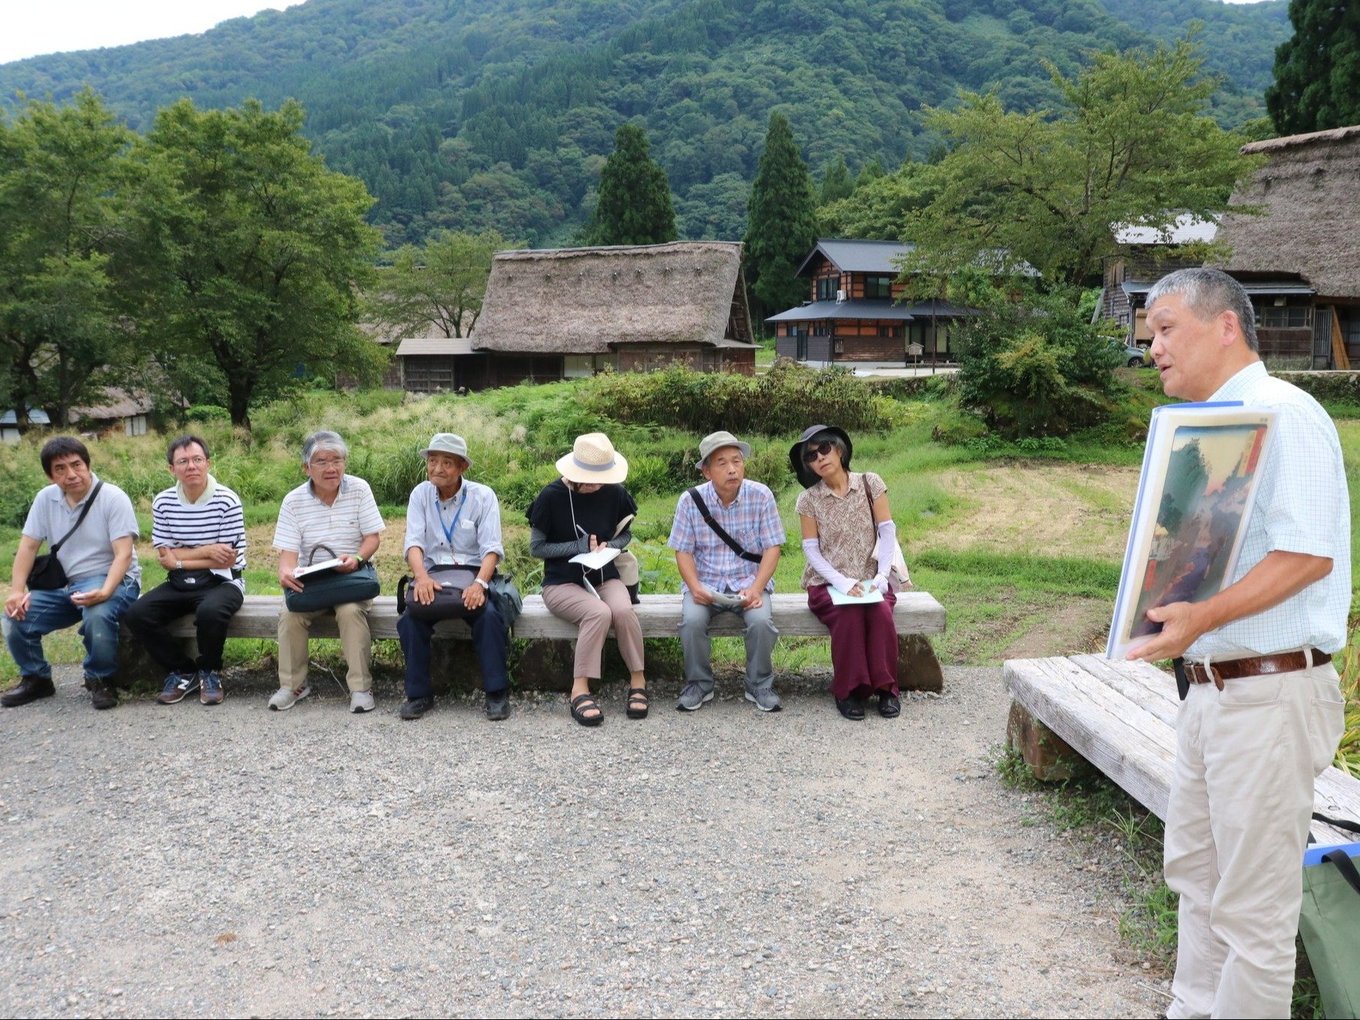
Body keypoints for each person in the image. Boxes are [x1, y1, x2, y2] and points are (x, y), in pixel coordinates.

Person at [1128, 267, 1349, 1019]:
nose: (1151, 346)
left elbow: (1309, 553)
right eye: (1147, 333)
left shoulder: (1286, 413)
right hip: (1209, 687)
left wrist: (1204, 616)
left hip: (1271, 688)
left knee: (1252, 908)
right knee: (1197, 878)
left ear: (1226, 326)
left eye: (1165, 328)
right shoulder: (1212, 426)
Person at [3, 436, 141, 710]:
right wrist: (17, 590)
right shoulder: (46, 499)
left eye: (77, 465)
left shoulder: (112, 497)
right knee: (13, 619)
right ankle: (36, 678)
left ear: (88, 465)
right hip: (63, 586)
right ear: (50, 475)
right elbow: (28, 546)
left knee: (97, 615)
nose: (71, 474)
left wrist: (104, 591)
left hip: (112, 578)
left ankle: (100, 678)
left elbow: (123, 553)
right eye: (60, 469)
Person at [528, 433, 645, 726]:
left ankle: (638, 680)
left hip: (605, 574)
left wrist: (614, 546)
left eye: (601, 478)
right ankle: (579, 688)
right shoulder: (551, 497)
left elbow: (625, 532)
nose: (596, 485)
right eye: (590, 478)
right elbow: (536, 548)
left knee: (623, 610)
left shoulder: (614, 492)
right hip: (561, 583)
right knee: (598, 612)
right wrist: (576, 548)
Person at [123, 435, 247, 706]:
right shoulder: (163, 502)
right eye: (183, 461)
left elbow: (225, 560)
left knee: (210, 611)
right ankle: (182, 670)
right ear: (172, 469)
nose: (191, 466)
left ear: (208, 463)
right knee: (137, 613)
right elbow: (165, 555)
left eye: (197, 459)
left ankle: (210, 670)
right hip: (181, 582)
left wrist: (180, 559)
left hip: (223, 581)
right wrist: (204, 551)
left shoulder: (227, 500)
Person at [667, 430, 785, 712]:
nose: (732, 469)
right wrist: (695, 587)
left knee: (760, 622)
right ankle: (699, 684)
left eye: (736, 460)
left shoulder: (761, 495)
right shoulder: (690, 501)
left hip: (749, 581)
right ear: (706, 471)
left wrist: (757, 588)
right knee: (692, 621)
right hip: (705, 582)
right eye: (722, 463)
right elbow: (682, 551)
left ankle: (759, 684)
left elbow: (772, 547)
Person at [790, 424, 902, 721]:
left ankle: (887, 689)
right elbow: (812, 551)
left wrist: (880, 577)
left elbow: (887, 532)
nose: (820, 458)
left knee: (879, 613)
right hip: (827, 584)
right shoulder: (808, 500)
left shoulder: (871, 483)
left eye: (825, 449)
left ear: (839, 450)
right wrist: (841, 582)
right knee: (848, 615)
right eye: (812, 456)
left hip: (870, 578)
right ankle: (848, 691)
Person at [397, 432, 511, 722]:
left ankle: (496, 692)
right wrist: (420, 577)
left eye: (447, 462)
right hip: (433, 573)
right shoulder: (419, 494)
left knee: (489, 616)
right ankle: (418, 694)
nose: (437, 468)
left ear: (463, 467)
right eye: (433, 461)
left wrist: (480, 584)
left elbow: (492, 549)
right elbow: (413, 543)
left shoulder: (483, 496)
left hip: (473, 573)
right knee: (411, 620)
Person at [271, 430, 384, 713]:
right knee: (290, 613)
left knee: (349, 612)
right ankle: (293, 685)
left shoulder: (359, 489)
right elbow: (287, 556)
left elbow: (372, 538)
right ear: (306, 467)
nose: (331, 468)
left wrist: (357, 558)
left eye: (337, 460)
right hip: (313, 582)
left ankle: (360, 688)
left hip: (351, 580)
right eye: (321, 461)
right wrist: (285, 573)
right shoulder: (293, 501)